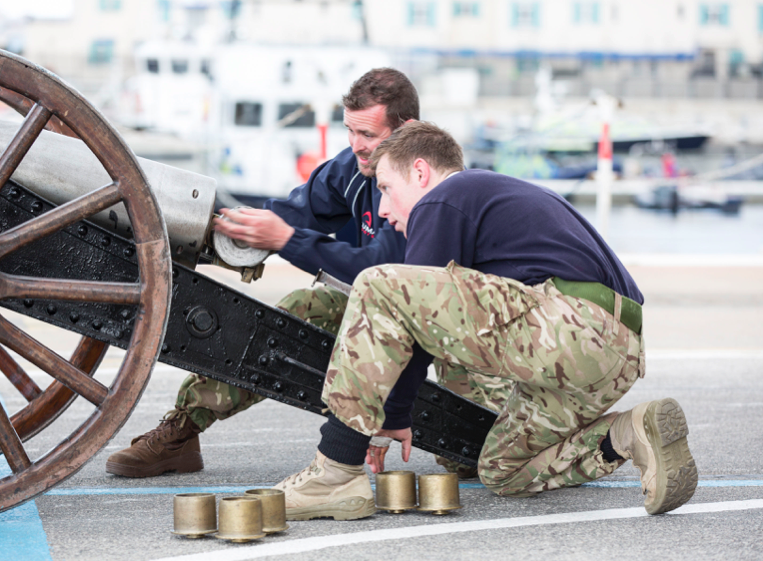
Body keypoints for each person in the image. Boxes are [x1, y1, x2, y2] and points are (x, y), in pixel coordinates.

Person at [275, 121, 698, 521]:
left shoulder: (446, 196)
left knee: (379, 283)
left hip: (572, 326)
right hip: (613, 355)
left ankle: (335, 471)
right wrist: (397, 413)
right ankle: (627, 433)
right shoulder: (489, 198)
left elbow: (408, 314)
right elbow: (436, 322)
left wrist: (394, 415)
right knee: (503, 469)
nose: (383, 208)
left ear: (420, 172)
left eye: (385, 187)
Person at [105, 68, 419, 478]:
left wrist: (286, 239)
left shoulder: (422, 181)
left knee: (488, 463)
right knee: (299, 311)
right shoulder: (353, 170)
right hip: (380, 310)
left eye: (369, 135)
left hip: (444, 329)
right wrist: (214, 229)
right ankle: (182, 429)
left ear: (405, 130)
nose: (357, 146)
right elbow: (290, 213)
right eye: (351, 131)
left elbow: (378, 270)